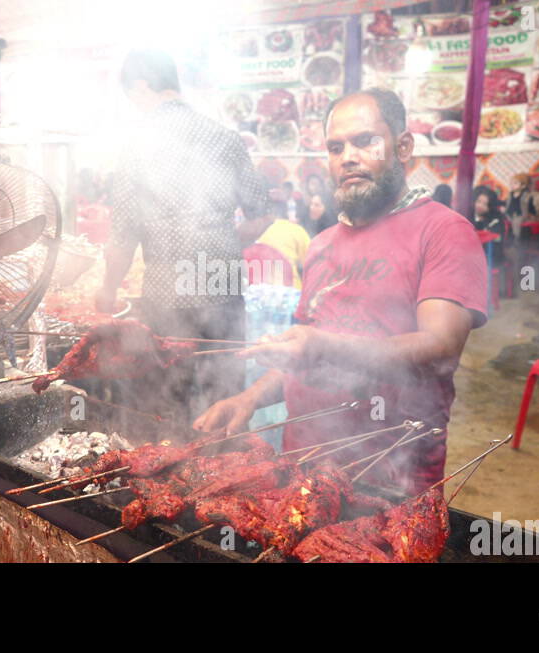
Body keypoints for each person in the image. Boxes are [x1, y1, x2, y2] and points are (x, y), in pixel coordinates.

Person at [193, 88, 488, 495]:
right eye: (335, 147)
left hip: (389, 481)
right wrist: (250, 398)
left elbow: (441, 346)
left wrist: (321, 345)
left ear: (403, 147)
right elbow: (302, 357)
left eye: (365, 141)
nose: (348, 156)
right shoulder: (322, 244)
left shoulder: (443, 231)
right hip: (303, 473)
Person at [96, 49, 268, 422]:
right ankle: (227, 468)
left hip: (167, 294)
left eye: (132, 96)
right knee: (223, 398)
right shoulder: (224, 135)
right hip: (224, 286)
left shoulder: (137, 142)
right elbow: (263, 215)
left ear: (141, 86)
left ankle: (170, 468)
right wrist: (219, 244)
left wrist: (107, 290)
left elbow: (123, 236)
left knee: (163, 403)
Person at [255, 192, 311, 288]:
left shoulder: (257, 231)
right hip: (293, 292)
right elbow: (311, 264)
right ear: (286, 209)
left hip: (264, 294)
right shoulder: (296, 230)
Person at [470, 185, 508, 267]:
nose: (480, 206)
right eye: (478, 201)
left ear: (490, 207)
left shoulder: (496, 219)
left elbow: (496, 240)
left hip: (491, 256)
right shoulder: (470, 215)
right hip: (472, 255)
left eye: (485, 204)